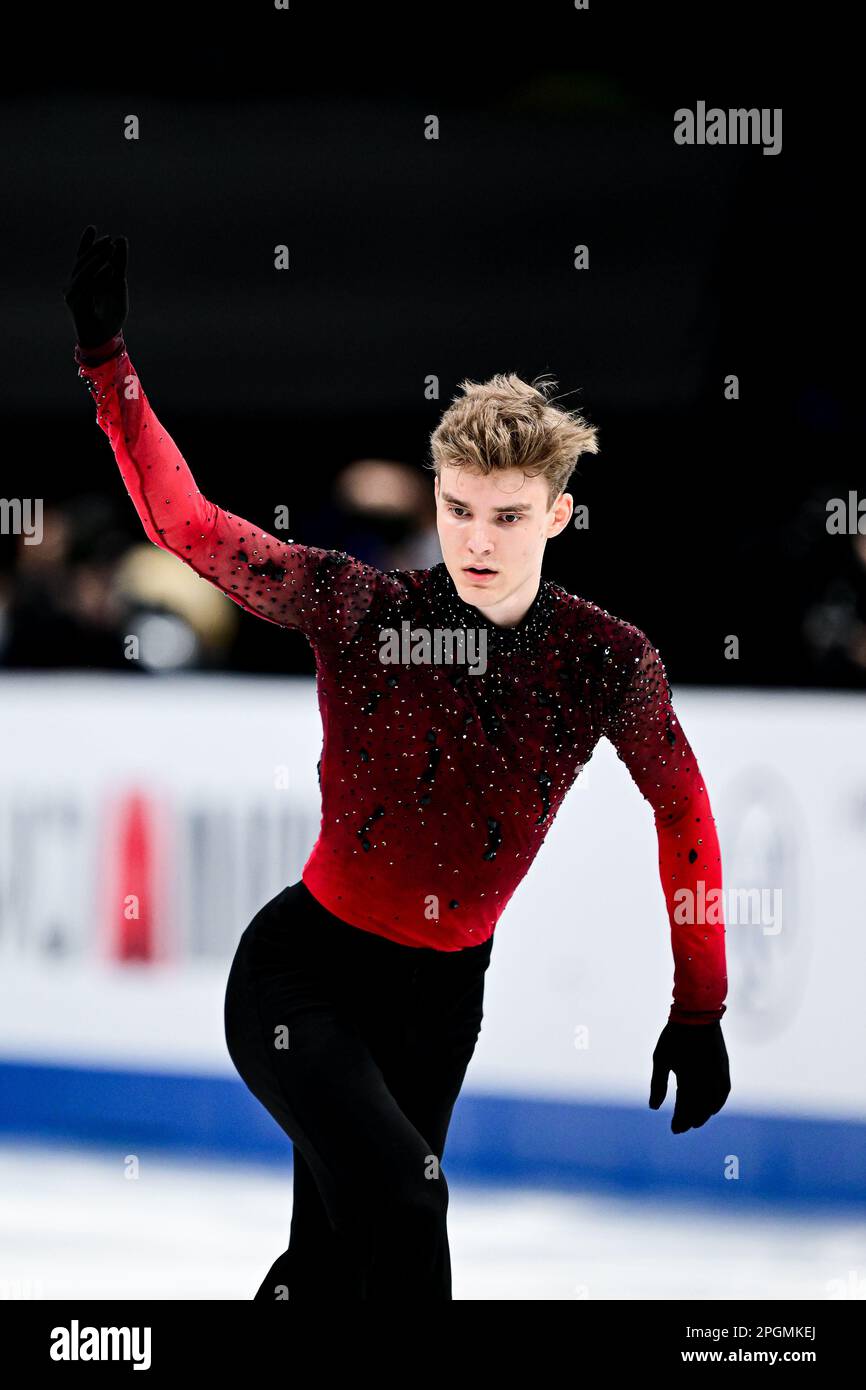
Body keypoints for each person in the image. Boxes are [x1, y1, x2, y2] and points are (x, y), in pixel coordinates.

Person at [64, 225, 731, 1300]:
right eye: (457, 508)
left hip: (441, 1003)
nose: (476, 539)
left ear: (557, 514)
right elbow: (186, 526)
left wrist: (699, 1007)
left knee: (333, 1266)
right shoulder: (356, 605)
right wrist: (109, 365)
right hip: (302, 976)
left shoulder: (604, 660)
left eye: (507, 517)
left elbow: (684, 813)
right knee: (410, 1207)